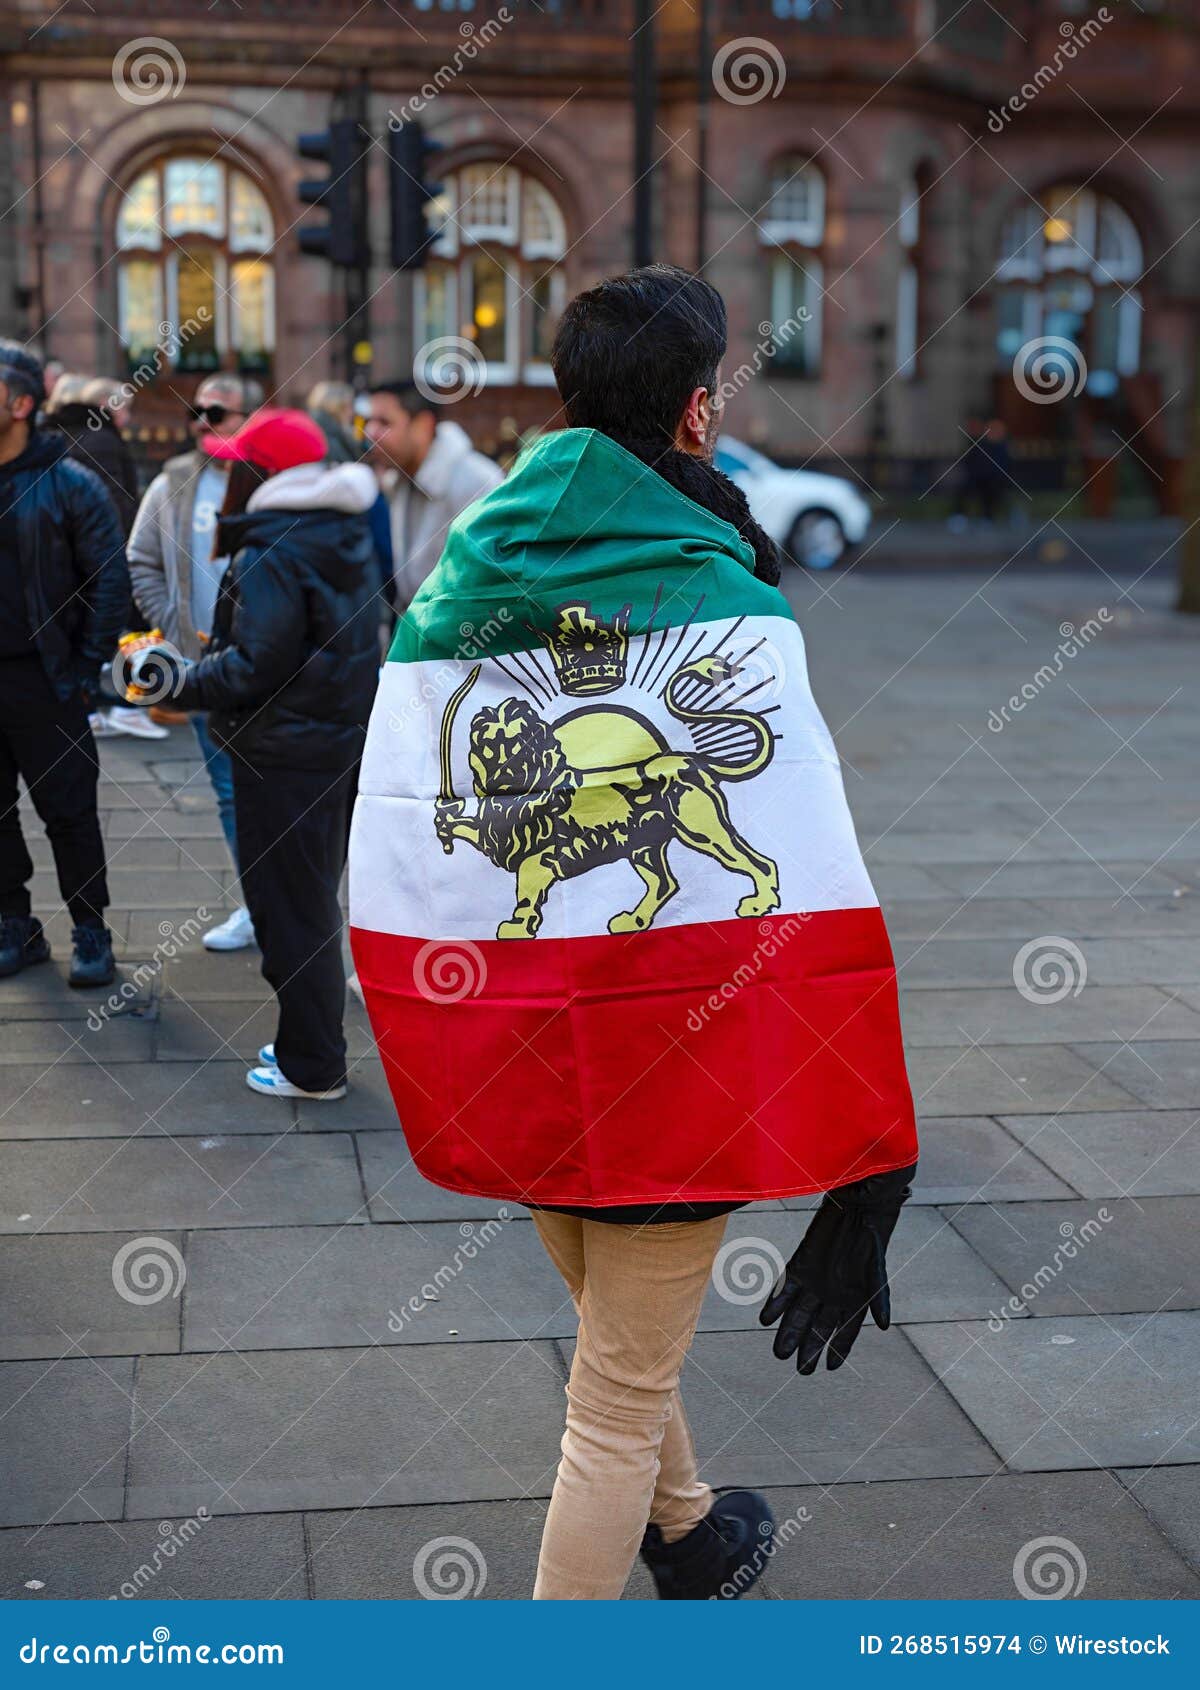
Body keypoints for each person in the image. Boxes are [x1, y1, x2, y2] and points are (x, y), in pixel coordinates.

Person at [348, 266, 918, 1600]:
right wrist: (873, 1139)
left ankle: (693, 1529)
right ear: (700, 413)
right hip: (683, 1063)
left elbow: (400, 835)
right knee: (611, 1399)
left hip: (521, 1046)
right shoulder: (736, 606)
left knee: (614, 1339)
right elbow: (814, 885)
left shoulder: (457, 585)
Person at [136, 409, 379, 1100]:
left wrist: (180, 681)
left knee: (290, 915)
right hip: (330, 746)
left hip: (283, 754)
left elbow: (254, 666)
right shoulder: (340, 529)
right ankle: (313, 1047)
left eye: (233, 461)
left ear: (261, 474)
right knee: (310, 905)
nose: (222, 470)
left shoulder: (272, 547)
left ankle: (313, 1065)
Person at [0, 341, 128, 987]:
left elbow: (110, 581)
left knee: (68, 811)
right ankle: (15, 926)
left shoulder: (69, 484)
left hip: (46, 679)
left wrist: (85, 669)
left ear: (22, 404)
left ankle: (90, 930)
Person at [126, 373, 263, 950]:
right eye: (198, 412)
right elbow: (142, 558)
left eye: (220, 412)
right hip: (203, 668)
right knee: (230, 790)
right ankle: (256, 907)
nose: (205, 422)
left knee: (282, 788)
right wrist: (177, 623)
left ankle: (292, 902)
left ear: (250, 419)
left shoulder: (271, 481)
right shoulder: (173, 482)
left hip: (267, 663)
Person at [364, 380, 503, 616]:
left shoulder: (477, 482)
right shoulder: (400, 478)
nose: (370, 432)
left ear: (423, 425)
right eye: (369, 420)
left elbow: (497, 586)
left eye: (385, 422)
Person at [305, 380, 360, 463]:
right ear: (338, 406)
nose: (352, 413)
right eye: (349, 406)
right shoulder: (332, 441)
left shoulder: (314, 430)